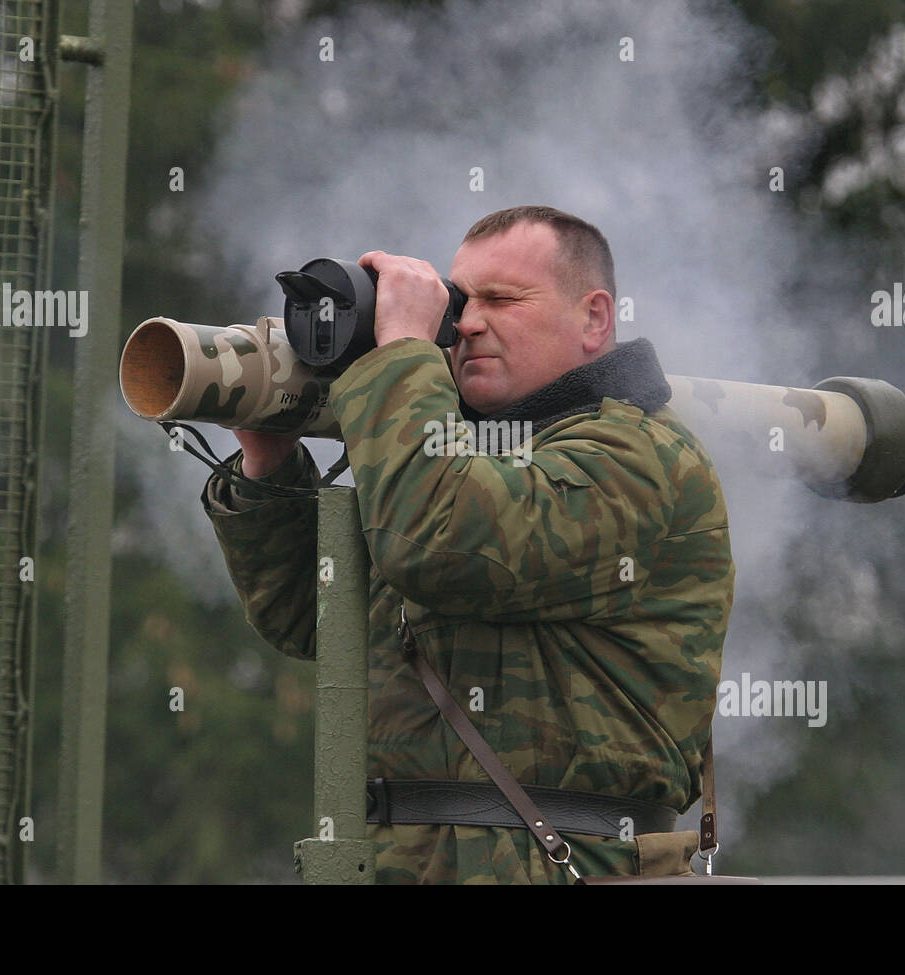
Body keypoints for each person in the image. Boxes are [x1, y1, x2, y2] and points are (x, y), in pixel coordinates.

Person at [200, 205, 735, 883]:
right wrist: (270, 460)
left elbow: (435, 544)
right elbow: (319, 615)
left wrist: (400, 358)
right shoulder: (454, 462)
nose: (469, 323)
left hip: (564, 863)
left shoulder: (640, 456)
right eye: (458, 303)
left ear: (594, 318)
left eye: (502, 299)